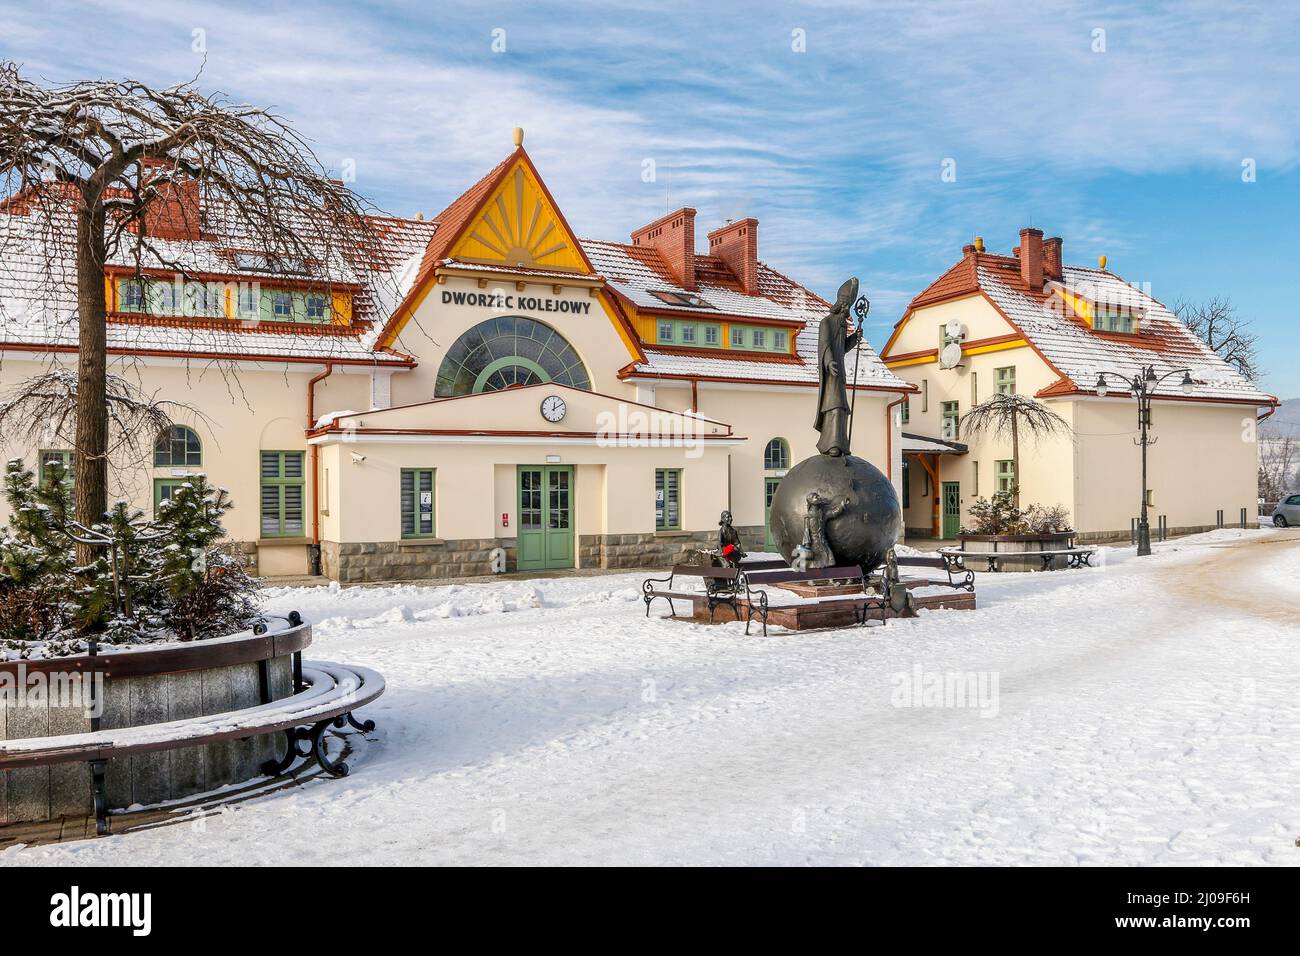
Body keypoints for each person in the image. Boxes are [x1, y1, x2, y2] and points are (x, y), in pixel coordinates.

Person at [814, 277, 863, 456]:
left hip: (840, 372)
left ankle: (842, 444)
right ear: (841, 305)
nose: (847, 312)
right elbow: (824, 345)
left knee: (842, 408)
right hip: (831, 371)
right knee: (834, 405)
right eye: (846, 307)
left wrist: (855, 338)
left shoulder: (842, 324)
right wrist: (828, 362)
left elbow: (841, 348)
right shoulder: (826, 322)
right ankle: (830, 444)